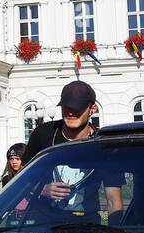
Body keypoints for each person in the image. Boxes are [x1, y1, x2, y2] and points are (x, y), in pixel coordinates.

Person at [21, 80, 124, 221]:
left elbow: (113, 200)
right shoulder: (43, 134)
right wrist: (42, 189)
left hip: (85, 227)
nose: (70, 112)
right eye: (66, 106)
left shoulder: (104, 145)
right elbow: (21, 177)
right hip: (43, 226)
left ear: (92, 109)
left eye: (77, 108)